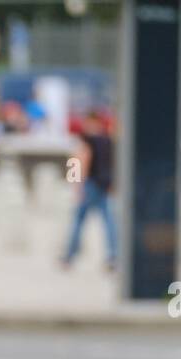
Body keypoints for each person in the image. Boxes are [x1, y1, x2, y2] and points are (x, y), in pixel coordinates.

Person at [60, 110, 118, 271]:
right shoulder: (108, 140)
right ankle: (113, 256)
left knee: (79, 221)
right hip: (104, 185)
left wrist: (75, 185)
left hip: (89, 184)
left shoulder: (85, 141)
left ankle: (69, 256)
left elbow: (79, 162)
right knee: (109, 222)